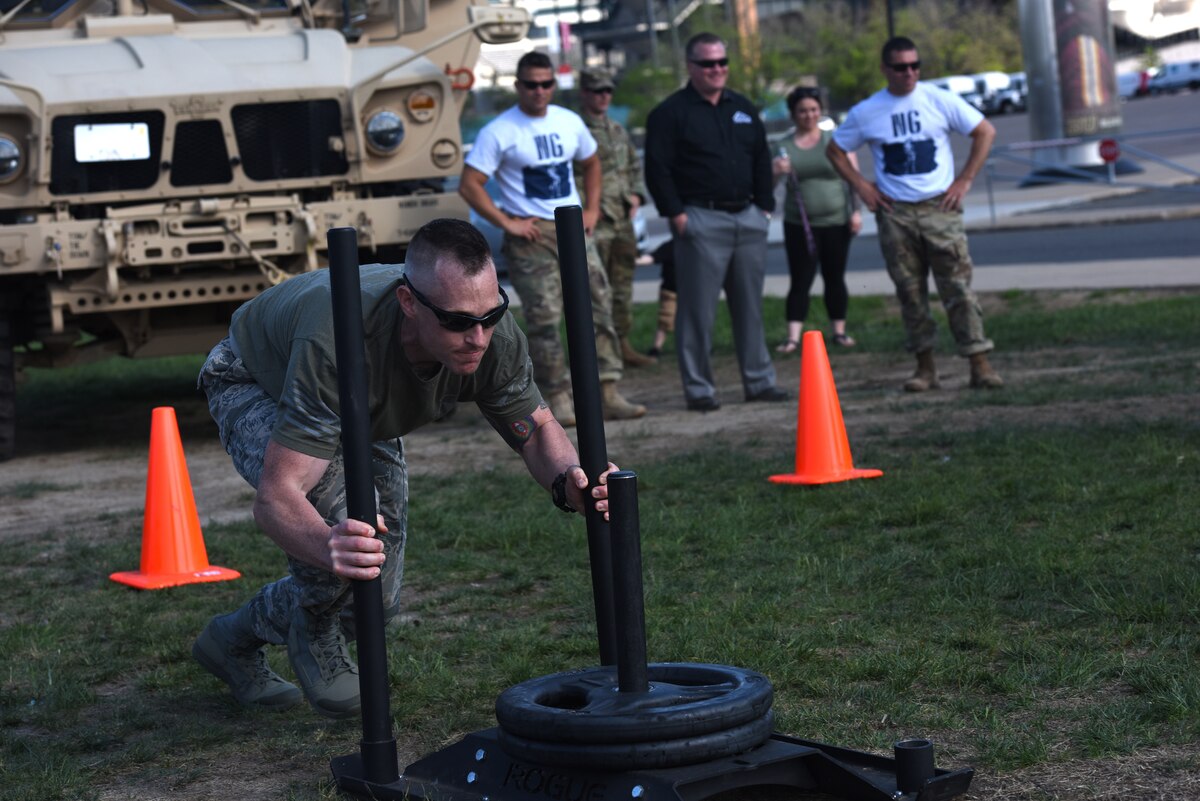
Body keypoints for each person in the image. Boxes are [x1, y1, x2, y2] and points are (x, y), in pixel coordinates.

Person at [191, 218, 618, 719]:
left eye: (491, 314)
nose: (477, 337)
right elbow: (277, 496)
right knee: (344, 539)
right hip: (259, 377)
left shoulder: (489, 334)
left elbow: (537, 428)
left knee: (379, 595)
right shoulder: (337, 341)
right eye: (458, 322)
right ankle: (314, 631)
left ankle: (231, 641)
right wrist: (328, 547)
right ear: (410, 305)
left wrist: (571, 481)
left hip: (361, 401)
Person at [459, 52, 646, 427]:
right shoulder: (500, 130)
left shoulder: (568, 121)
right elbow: (470, 184)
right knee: (544, 319)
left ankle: (606, 390)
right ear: (518, 86)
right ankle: (558, 396)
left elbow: (591, 162)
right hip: (532, 235)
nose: (540, 91)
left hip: (573, 229)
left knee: (599, 307)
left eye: (546, 84)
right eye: (531, 84)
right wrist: (506, 223)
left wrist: (591, 210)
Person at [826, 36, 1004, 391]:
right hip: (896, 214)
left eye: (914, 66)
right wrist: (862, 186)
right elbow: (834, 150)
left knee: (958, 289)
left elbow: (984, 131)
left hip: (940, 207)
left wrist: (964, 180)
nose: (909, 73)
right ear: (885, 69)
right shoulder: (867, 111)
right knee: (910, 293)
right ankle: (925, 369)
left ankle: (978, 363)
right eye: (900, 67)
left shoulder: (937, 100)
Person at [644, 32, 788, 412]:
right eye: (708, 63)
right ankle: (699, 389)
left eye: (722, 62)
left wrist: (765, 207)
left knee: (750, 308)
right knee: (697, 313)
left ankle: (759, 382)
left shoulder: (741, 107)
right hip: (700, 220)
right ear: (691, 66)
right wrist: (676, 215)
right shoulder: (669, 113)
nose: (717, 69)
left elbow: (761, 157)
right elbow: (657, 169)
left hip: (748, 217)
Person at [771, 86, 863, 354]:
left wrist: (855, 212)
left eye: (813, 110)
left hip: (836, 221)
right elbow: (769, 185)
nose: (808, 115)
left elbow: (853, 178)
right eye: (802, 111)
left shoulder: (835, 140)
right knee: (800, 278)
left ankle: (839, 331)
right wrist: (776, 171)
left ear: (820, 111)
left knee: (834, 276)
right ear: (793, 114)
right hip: (800, 224)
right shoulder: (783, 146)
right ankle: (793, 337)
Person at [577, 67, 655, 368]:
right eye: (598, 91)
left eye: (608, 91)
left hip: (622, 219)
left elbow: (634, 166)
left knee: (622, 286)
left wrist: (636, 194)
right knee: (598, 290)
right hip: (595, 221)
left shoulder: (617, 129)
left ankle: (622, 343)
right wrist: (585, 210)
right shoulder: (577, 130)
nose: (604, 97)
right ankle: (599, 352)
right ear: (585, 93)